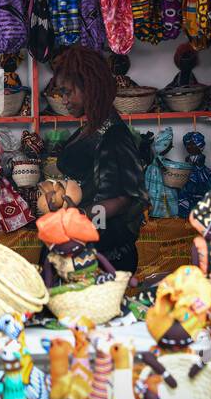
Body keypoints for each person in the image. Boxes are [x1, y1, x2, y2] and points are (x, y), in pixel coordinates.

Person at [49, 46, 148, 273]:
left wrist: (79, 216)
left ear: (89, 88)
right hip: (82, 246)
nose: (63, 99)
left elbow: (122, 198)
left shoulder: (113, 134)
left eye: (67, 92)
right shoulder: (91, 128)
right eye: (60, 93)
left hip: (105, 255)